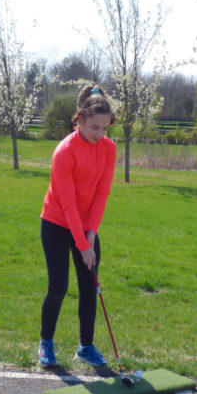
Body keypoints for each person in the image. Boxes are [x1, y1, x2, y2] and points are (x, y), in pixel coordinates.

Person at [37, 84, 117, 368]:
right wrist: (82, 246)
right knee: (58, 286)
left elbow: (102, 194)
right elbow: (68, 205)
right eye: (95, 127)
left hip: (86, 225)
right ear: (80, 119)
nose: (99, 135)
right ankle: (46, 342)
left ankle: (86, 345)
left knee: (89, 285)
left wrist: (90, 236)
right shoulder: (64, 152)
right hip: (57, 222)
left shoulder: (109, 149)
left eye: (104, 129)